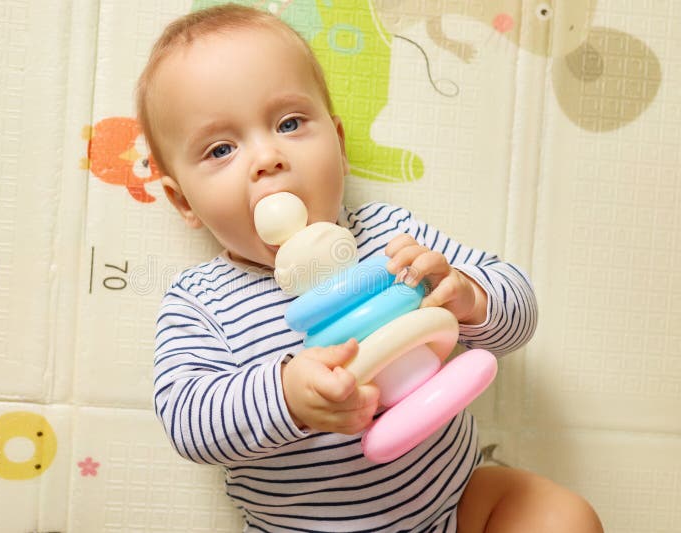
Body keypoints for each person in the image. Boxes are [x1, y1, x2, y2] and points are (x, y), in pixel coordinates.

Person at [137, 4, 603, 532]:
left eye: (289, 123)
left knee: (560, 516)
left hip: (454, 506)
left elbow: (520, 312)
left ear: (337, 141)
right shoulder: (201, 300)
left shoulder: (388, 236)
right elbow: (186, 422)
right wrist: (286, 396)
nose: (266, 157)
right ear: (184, 203)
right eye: (221, 149)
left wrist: (467, 295)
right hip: (306, 528)